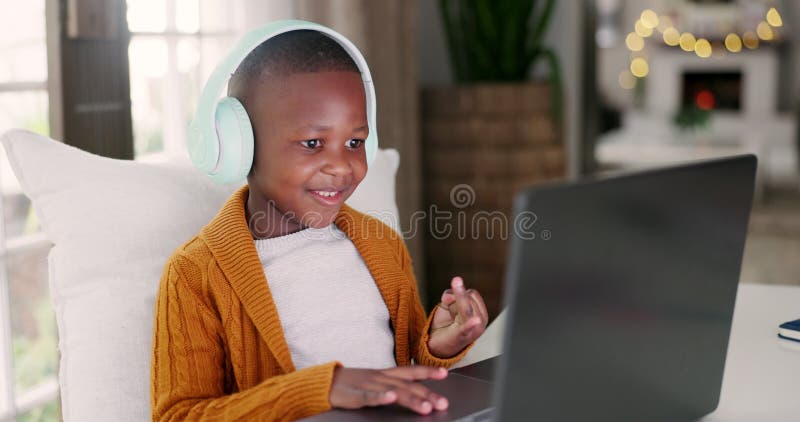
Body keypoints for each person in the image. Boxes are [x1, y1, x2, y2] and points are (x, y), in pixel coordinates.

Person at [150, 28, 488, 421]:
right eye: (313, 144)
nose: (343, 166)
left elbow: (409, 360)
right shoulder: (194, 274)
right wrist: (322, 388)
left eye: (355, 142)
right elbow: (178, 415)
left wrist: (439, 345)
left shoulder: (381, 243)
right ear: (239, 146)